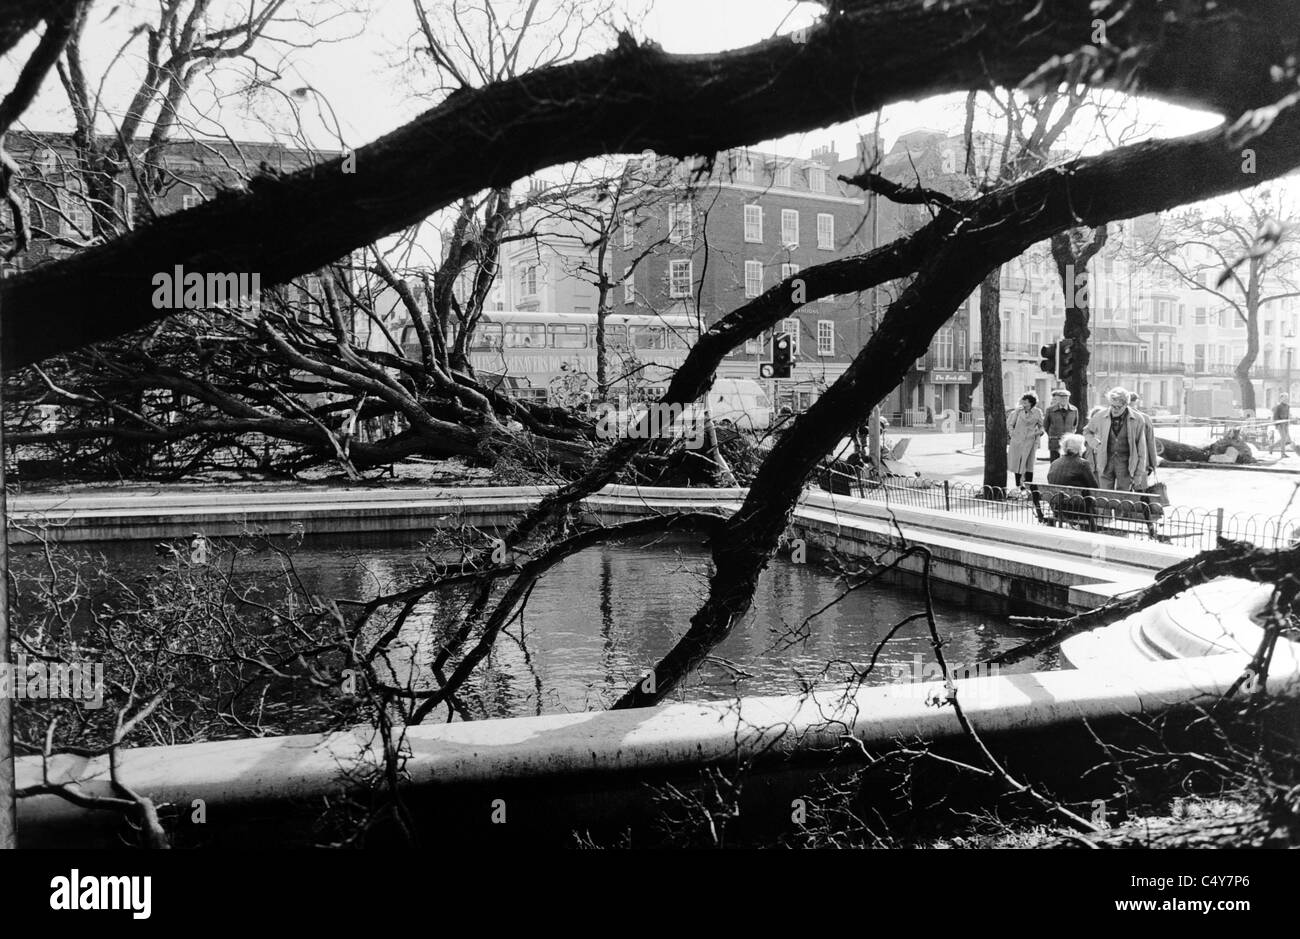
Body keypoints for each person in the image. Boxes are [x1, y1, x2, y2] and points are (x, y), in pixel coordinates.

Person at [1082, 385, 1158, 493]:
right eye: (1112, 406)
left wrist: (1138, 474)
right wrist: (1096, 444)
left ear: (1126, 405)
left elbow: (1141, 449)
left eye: (1118, 407)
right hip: (1105, 464)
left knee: (1123, 500)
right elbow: (1087, 431)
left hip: (1126, 466)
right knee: (1104, 498)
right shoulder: (1100, 416)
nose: (1114, 410)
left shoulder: (1137, 419)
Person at [1045, 433, 1099, 526]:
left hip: (1057, 509)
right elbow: (1094, 488)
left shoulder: (1055, 463)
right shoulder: (1083, 464)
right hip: (1078, 511)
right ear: (1079, 448)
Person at [1006, 392, 1044, 490]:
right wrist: (1012, 434)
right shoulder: (1017, 411)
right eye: (1023, 402)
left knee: (1029, 463)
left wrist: (1039, 432)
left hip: (1030, 440)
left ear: (1031, 403)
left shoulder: (1037, 412)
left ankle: (1028, 486)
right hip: (1017, 440)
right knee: (1017, 462)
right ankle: (1019, 486)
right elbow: (1010, 424)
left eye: (1026, 402)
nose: (1024, 404)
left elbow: (1041, 425)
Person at [1043, 388, 1079, 461]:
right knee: (1054, 461)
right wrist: (1051, 434)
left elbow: (1075, 424)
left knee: (1068, 461)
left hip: (1068, 440)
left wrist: (1070, 433)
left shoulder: (1074, 410)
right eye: (1062, 398)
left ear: (1068, 398)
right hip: (1054, 439)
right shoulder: (1050, 410)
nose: (1064, 399)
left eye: (1066, 398)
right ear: (1058, 399)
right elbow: (1046, 425)